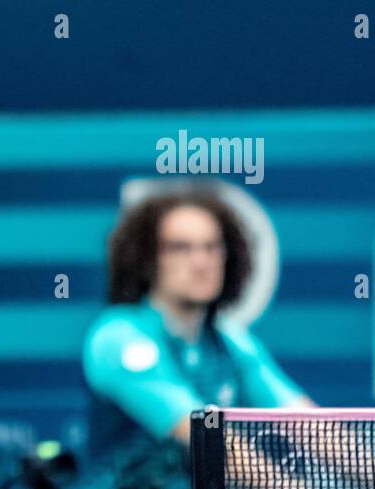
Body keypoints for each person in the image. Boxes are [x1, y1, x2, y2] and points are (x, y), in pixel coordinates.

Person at [83, 189, 310, 468]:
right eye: (180, 247)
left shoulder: (231, 342)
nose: (201, 262)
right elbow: (205, 438)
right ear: (147, 259)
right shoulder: (118, 338)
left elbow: (308, 425)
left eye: (212, 247)